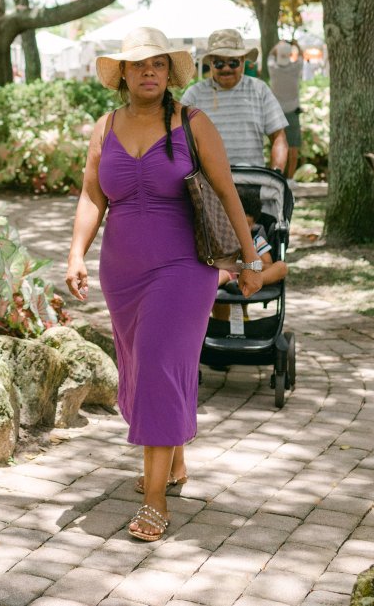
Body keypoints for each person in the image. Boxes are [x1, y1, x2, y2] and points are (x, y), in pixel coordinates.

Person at [65, 27, 262, 543]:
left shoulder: (192, 123)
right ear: (123, 75)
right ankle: (172, 462)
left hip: (183, 269)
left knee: (155, 367)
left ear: (167, 73)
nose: (148, 71)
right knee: (139, 368)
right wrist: (75, 254)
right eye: (138, 64)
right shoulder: (105, 127)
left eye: (157, 64)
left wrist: (251, 257)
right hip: (122, 272)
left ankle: (154, 502)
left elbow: (228, 193)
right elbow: (92, 196)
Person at [181, 29, 288, 172]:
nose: (226, 68)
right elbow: (179, 140)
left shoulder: (259, 90)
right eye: (219, 63)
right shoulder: (194, 94)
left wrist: (276, 175)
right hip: (208, 185)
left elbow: (279, 138)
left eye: (233, 62)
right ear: (211, 63)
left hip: (252, 182)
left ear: (243, 61)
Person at [267, 40, 304, 177]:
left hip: (276, 114)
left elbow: (270, 55)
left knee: (277, 146)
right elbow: (301, 56)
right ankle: (290, 178)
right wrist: (295, 44)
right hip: (293, 112)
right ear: (289, 55)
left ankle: (277, 176)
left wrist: (277, 45)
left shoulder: (273, 68)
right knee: (293, 147)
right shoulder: (295, 68)